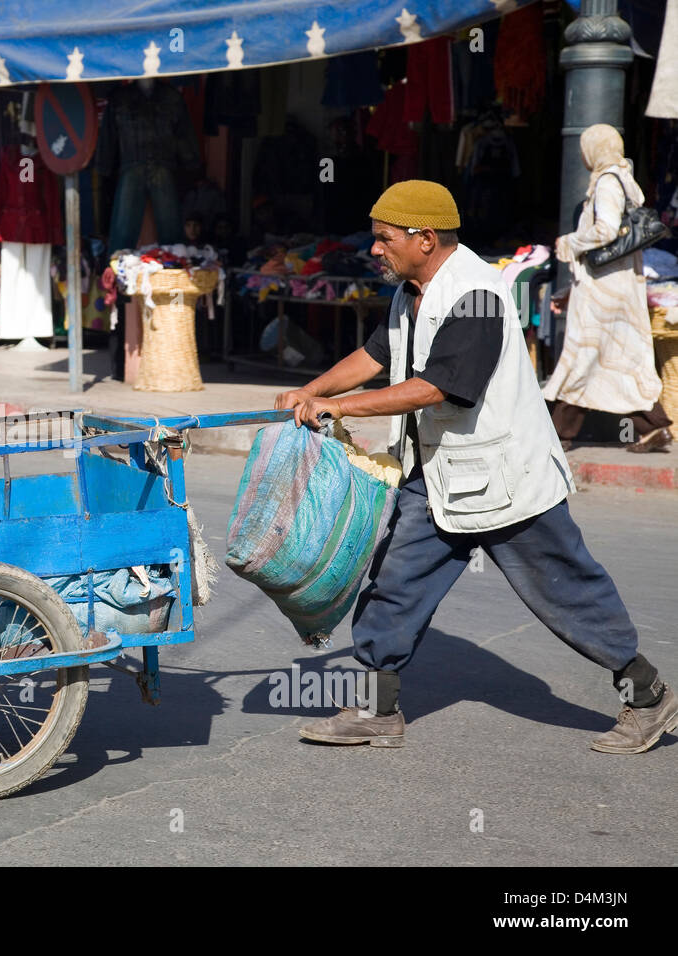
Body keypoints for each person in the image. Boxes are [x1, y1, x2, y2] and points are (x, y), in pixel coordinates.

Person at [274, 179, 677, 754]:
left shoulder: (474, 295)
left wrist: (336, 406)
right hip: (438, 475)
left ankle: (648, 695)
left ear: (425, 238)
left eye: (384, 239)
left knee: (566, 591)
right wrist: (309, 390)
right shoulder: (410, 292)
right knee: (393, 583)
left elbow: (437, 388)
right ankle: (376, 709)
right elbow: (377, 355)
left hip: (507, 479)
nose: (375, 250)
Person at [544, 124, 671, 453]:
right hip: (616, 286)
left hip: (605, 290)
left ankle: (558, 432)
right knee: (618, 359)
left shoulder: (607, 182)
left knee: (584, 355)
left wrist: (569, 242)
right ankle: (653, 428)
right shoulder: (624, 178)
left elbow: (606, 230)